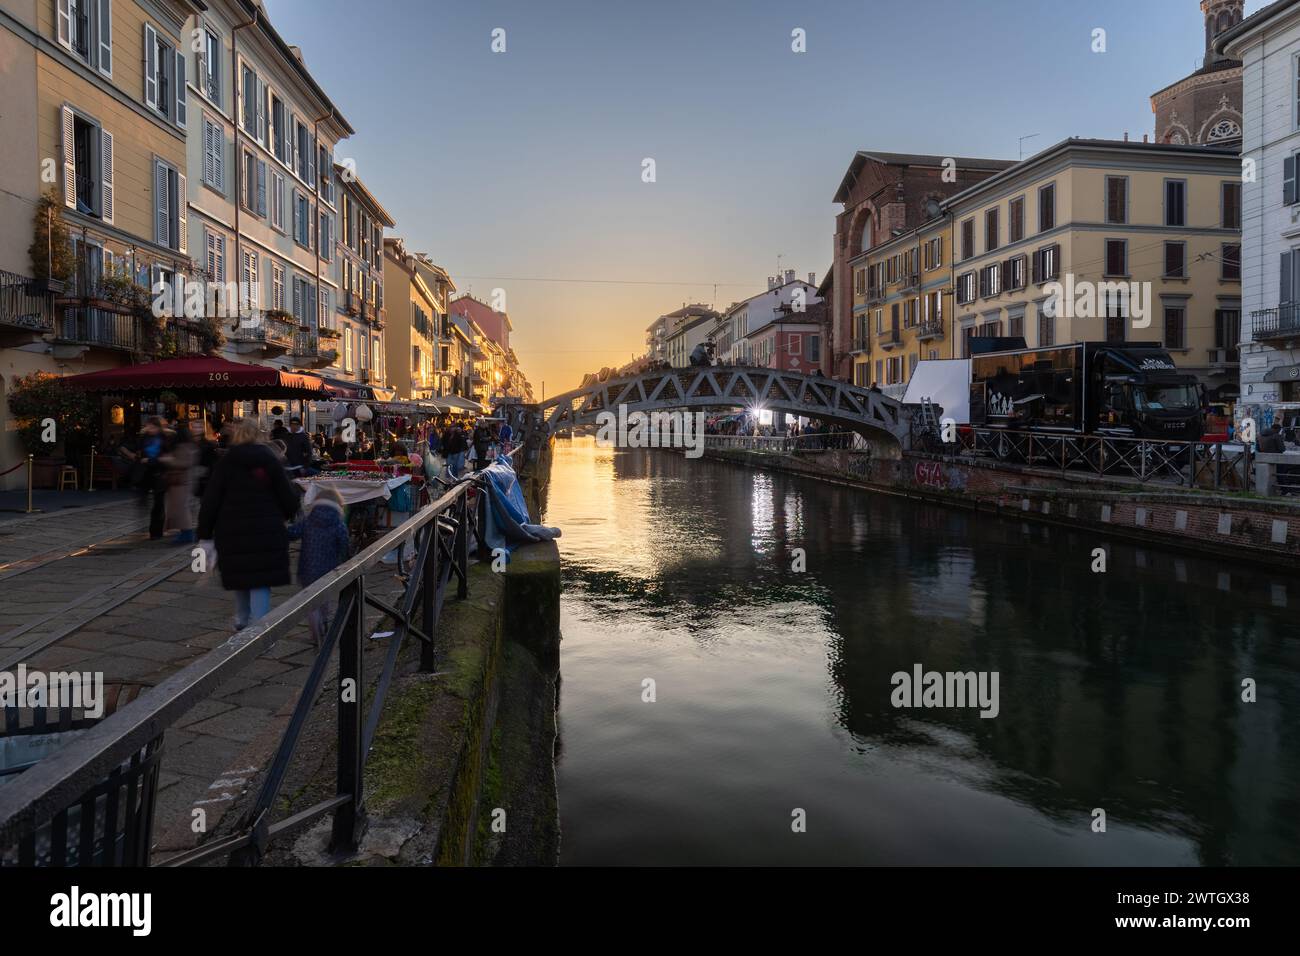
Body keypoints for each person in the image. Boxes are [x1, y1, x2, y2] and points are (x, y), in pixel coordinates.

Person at [198, 419, 300, 631]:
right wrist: (287, 514)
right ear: (259, 435)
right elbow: (288, 495)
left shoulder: (226, 462)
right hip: (267, 528)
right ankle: (259, 627)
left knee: (241, 573)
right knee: (260, 578)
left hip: (232, 528)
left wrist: (205, 534)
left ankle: (242, 619)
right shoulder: (270, 460)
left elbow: (211, 500)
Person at [287, 485, 351, 647]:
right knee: (324, 599)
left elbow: (292, 533)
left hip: (307, 567)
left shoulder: (309, 520)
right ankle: (323, 621)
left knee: (310, 601)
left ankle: (314, 622)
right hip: (328, 568)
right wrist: (346, 559)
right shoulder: (338, 523)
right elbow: (344, 543)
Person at [160, 421, 198, 545]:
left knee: (182, 509)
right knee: (180, 508)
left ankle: (186, 533)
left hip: (181, 482)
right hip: (181, 482)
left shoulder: (184, 447)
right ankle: (184, 532)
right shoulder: (189, 446)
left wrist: (169, 460)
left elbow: (184, 463)